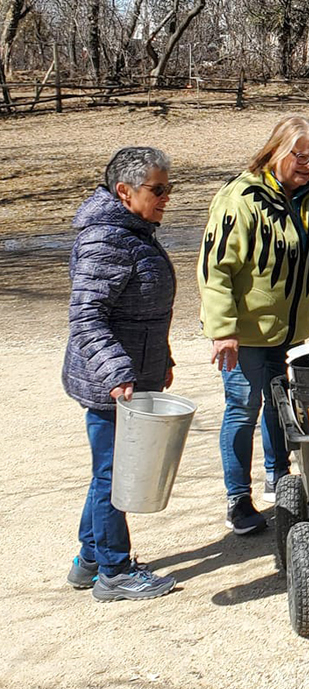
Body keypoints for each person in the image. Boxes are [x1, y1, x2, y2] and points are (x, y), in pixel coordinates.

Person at [198, 116, 309, 535]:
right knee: (244, 411)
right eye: (299, 156)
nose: (307, 166)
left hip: (293, 333)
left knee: (284, 411)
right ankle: (237, 499)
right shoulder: (240, 198)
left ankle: (281, 482)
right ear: (276, 149)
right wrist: (222, 329)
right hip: (245, 335)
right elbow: (216, 268)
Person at [62, 147, 179, 602]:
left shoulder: (134, 230)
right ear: (124, 191)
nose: (166, 197)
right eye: (158, 189)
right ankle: (113, 572)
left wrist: (162, 358)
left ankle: (88, 559)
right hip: (111, 384)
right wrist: (117, 371)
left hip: (130, 375)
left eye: (169, 188)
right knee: (115, 474)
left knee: (106, 471)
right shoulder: (106, 239)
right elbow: (88, 317)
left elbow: (144, 309)